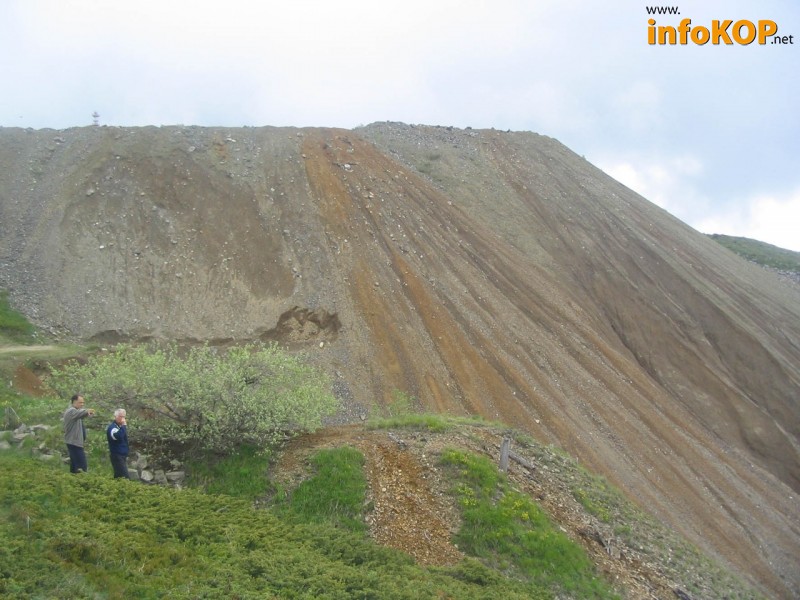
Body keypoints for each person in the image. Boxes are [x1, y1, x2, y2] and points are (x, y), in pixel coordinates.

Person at [63, 394, 95, 473]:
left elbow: (80, 414)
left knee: (75, 466)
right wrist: (87, 411)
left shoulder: (75, 412)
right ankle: (80, 483)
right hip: (74, 443)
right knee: (81, 467)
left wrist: (87, 414)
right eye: (80, 402)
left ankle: (72, 483)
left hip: (74, 442)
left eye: (83, 402)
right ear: (74, 402)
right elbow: (80, 413)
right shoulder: (71, 411)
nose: (82, 404)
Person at [106, 408, 130, 479]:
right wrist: (124, 426)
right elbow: (118, 436)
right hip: (117, 455)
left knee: (119, 476)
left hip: (122, 455)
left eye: (124, 417)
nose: (122, 419)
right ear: (115, 417)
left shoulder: (120, 427)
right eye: (120, 416)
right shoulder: (112, 428)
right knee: (124, 476)